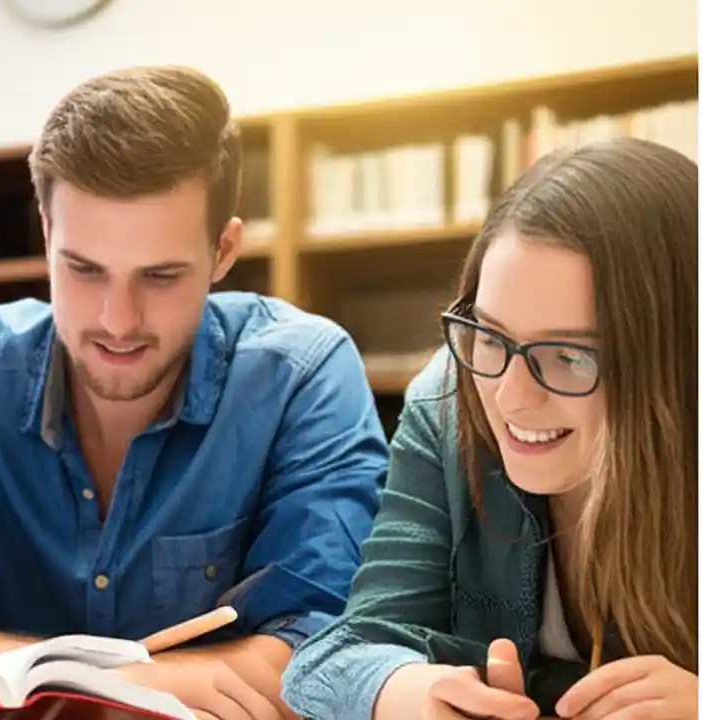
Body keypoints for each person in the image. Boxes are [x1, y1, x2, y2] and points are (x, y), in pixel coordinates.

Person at [0, 65, 389, 720]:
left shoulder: (302, 374)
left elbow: (325, 647)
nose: (117, 320)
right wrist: (112, 682)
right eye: (83, 270)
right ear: (47, 236)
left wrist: (28, 678)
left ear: (223, 250)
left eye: (160, 276)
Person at [281, 137, 698, 720]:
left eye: (571, 356)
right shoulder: (449, 400)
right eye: (492, 335)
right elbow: (333, 660)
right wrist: (413, 695)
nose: (511, 397)